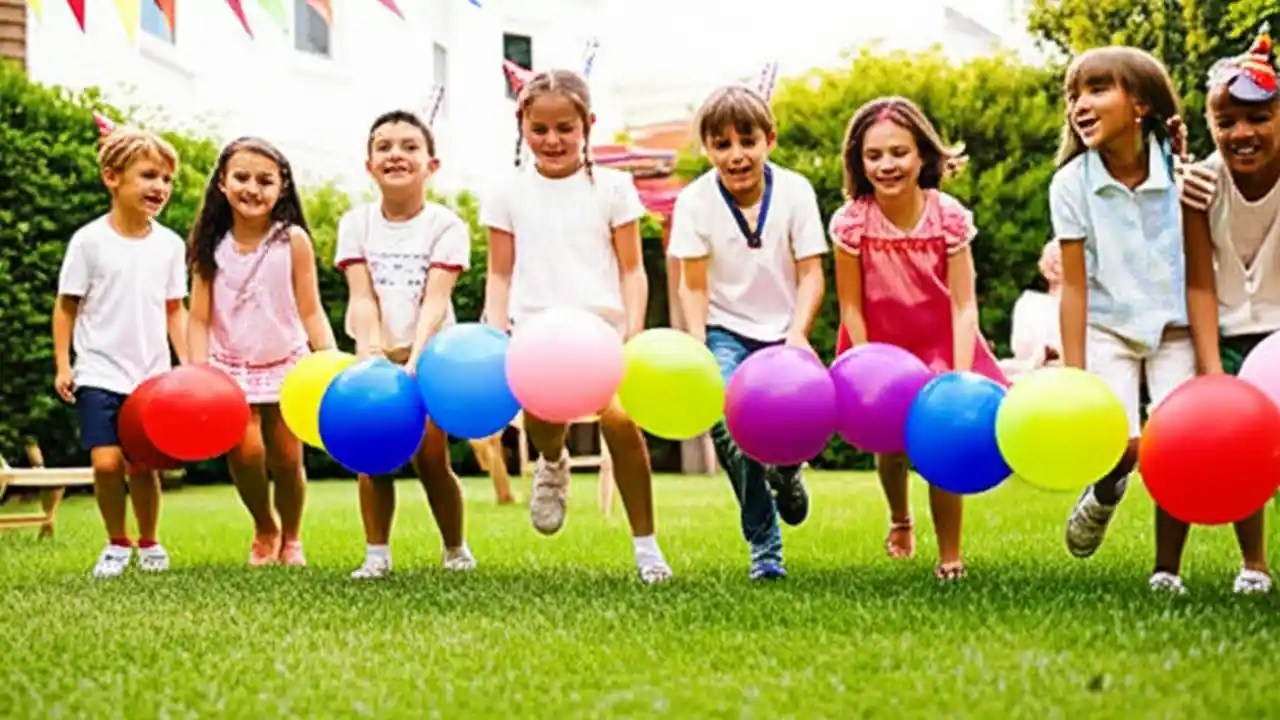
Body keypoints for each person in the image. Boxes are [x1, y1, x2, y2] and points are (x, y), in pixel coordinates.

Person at [480, 68, 672, 583]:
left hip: (601, 334)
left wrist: (631, 330)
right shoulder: (506, 192)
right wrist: (494, 330)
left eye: (565, 127)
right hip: (536, 336)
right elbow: (499, 274)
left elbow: (632, 268)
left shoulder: (614, 188)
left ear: (588, 124)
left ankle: (647, 549)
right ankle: (553, 461)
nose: (552, 140)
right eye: (539, 129)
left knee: (621, 423)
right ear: (521, 125)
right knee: (543, 418)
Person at [830, 96, 1007, 581]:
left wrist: (959, 367)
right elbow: (851, 304)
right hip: (879, 348)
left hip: (940, 345)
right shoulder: (852, 223)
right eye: (874, 156)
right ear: (859, 163)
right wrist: (867, 365)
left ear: (922, 155)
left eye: (899, 152)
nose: (887, 165)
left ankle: (950, 554)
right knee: (889, 447)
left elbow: (963, 302)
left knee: (942, 444)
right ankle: (900, 518)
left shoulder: (947, 217)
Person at [1047, 47, 1199, 580]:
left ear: (1140, 104)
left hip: (1176, 326)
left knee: (1176, 444)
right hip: (1108, 324)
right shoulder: (1070, 185)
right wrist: (1073, 370)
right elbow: (1074, 285)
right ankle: (1108, 489)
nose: (1079, 106)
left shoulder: (1180, 169)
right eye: (1073, 96)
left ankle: (1167, 570)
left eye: (1096, 90)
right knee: (1122, 445)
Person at [668, 84, 827, 581]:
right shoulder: (694, 202)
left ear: (769, 140)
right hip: (725, 329)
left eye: (747, 141)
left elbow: (811, 273)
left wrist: (799, 334)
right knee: (724, 418)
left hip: (784, 331)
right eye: (721, 144)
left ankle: (787, 470)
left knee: (792, 425)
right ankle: (765, 546)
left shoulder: (797, 191)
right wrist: (697, 338)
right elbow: (691, 282)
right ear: (708, 149)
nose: (735, 155)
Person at [335, 110, 474, 579]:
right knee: (371, 459)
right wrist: (372, 359)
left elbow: (435, 302)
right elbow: (362, 296)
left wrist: (414, 362)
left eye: (409, 146)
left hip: (431, 354)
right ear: (369, 164)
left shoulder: (446, 226)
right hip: (375, 351)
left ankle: (455, 549)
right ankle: (376, 554)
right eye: (384, 146)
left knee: (432, 458)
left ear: (432, 164)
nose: (396, 154)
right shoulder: (355, 224)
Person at [187, 137, 335, 567]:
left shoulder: (293, 242)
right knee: (246, 452)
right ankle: (264, 526)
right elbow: (197, 317)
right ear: (222, 184)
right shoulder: (208, 245)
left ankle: (291, 537)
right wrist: (197, 372)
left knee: (288, 458)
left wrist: (327, 360)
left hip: (287, 363)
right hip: (228, 366)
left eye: (265, 180)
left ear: (282, 187)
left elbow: (310, 310)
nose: (253, 188)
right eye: (242, 177)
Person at [52, 125, 188, 578]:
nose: (160, 187)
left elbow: (175, 310)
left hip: (150, 376)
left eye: (167, 179)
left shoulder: (169, 245)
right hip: (98, 371)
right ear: (112, 177)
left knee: (143, 465)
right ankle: (116, 542)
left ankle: (150, 542)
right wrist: (63, 364)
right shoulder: (89, 241)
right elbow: (66, 306)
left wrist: (188, 369)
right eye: (149, 176)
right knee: (106, 462)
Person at [1176, 27, 1278, 594]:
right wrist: (1212, 370)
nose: (1241, 132)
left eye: (1258, 117)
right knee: (1227, 444)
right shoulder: (1202, 185)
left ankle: (1258, 564)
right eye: (1226, 120)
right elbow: (1199, 283)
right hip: (1228, 333)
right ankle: (1249, 565)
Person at [1001, 239, 1064, 379]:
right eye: (1052, 259)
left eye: (1060, 259)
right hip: (1035, 373)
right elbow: (1021, 349)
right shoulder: (1030, 303)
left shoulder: (1093, 309)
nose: (1055, 264)